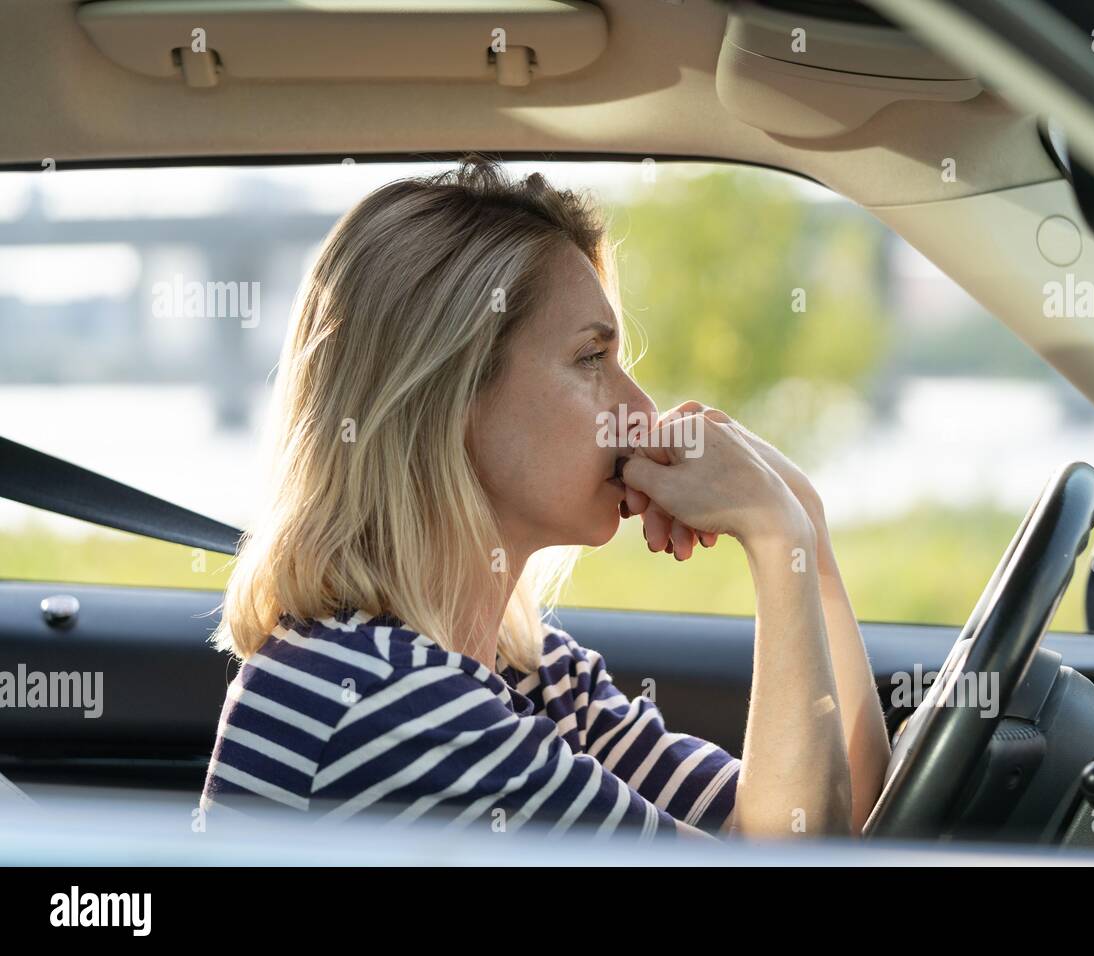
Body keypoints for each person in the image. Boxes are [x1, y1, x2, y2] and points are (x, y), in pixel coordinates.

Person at [200, 156, 890, 840]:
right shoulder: (388, 702)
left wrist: (807, 532)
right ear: (454, 395)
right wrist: (777, 541)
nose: (640, 408)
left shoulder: (530, 674)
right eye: (592, 359)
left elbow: (838, 812)